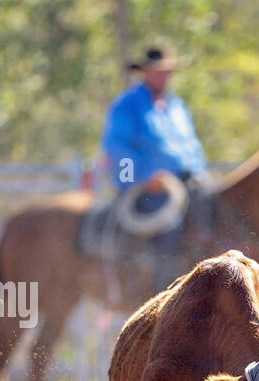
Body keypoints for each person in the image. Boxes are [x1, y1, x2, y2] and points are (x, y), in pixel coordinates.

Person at [101, 44, 209, 289]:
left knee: (214, 216)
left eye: (167, 71)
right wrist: (143, 178)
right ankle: (162, 291)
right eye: (158, 71)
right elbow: (118, 149)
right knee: (168, 226)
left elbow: (192, 145)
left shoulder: (176, 105)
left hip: (186, 183)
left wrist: (199, 170)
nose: (164, 76)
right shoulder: (127, 105)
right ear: (145, 72)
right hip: (149, 190)